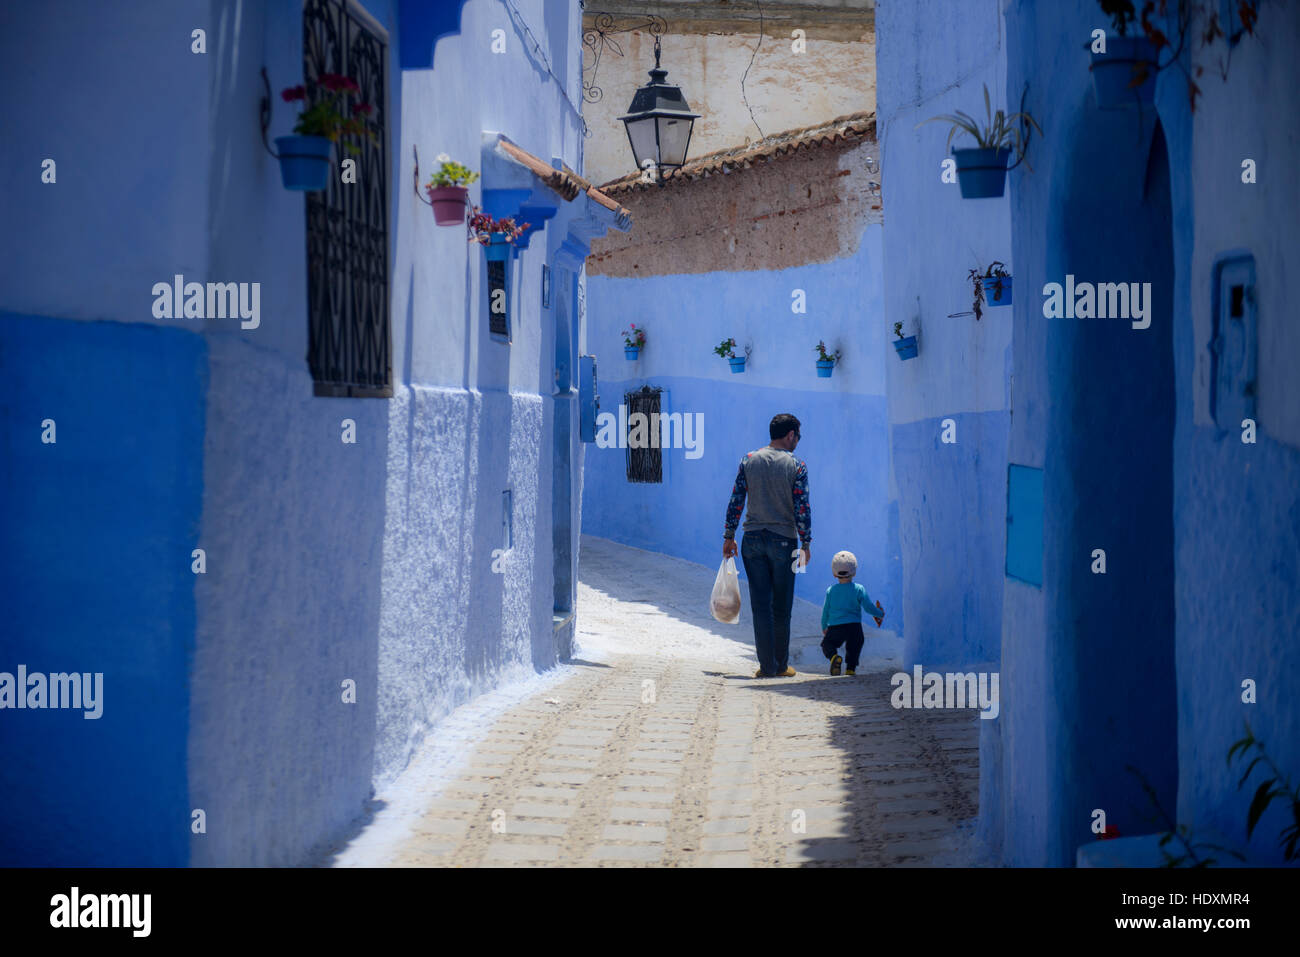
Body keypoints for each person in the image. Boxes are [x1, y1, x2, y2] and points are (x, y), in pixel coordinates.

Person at [723, 414, 810, 678]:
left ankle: (766, 666)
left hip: (752, 540)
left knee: (761, 605)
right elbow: (802, 508)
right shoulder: (796, 465)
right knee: (781, 607)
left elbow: (736, 499)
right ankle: (781, 665)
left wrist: (729, 535)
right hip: (785, 541)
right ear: (791, 434)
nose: (798, 440)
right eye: (798, 435)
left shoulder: (749, 460)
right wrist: (806, 542)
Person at [820, 550, 885, 677]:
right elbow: (868, 607)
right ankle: (850, 669)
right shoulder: (859, 589)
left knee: (827, 644)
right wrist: (880, 614)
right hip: (854, 627)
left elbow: (825, 610)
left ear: (834, 573)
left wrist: (824, 626)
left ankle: (834, 658)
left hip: (835, 627)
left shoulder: (831, 591)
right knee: (854, 647)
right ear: (854, 571)